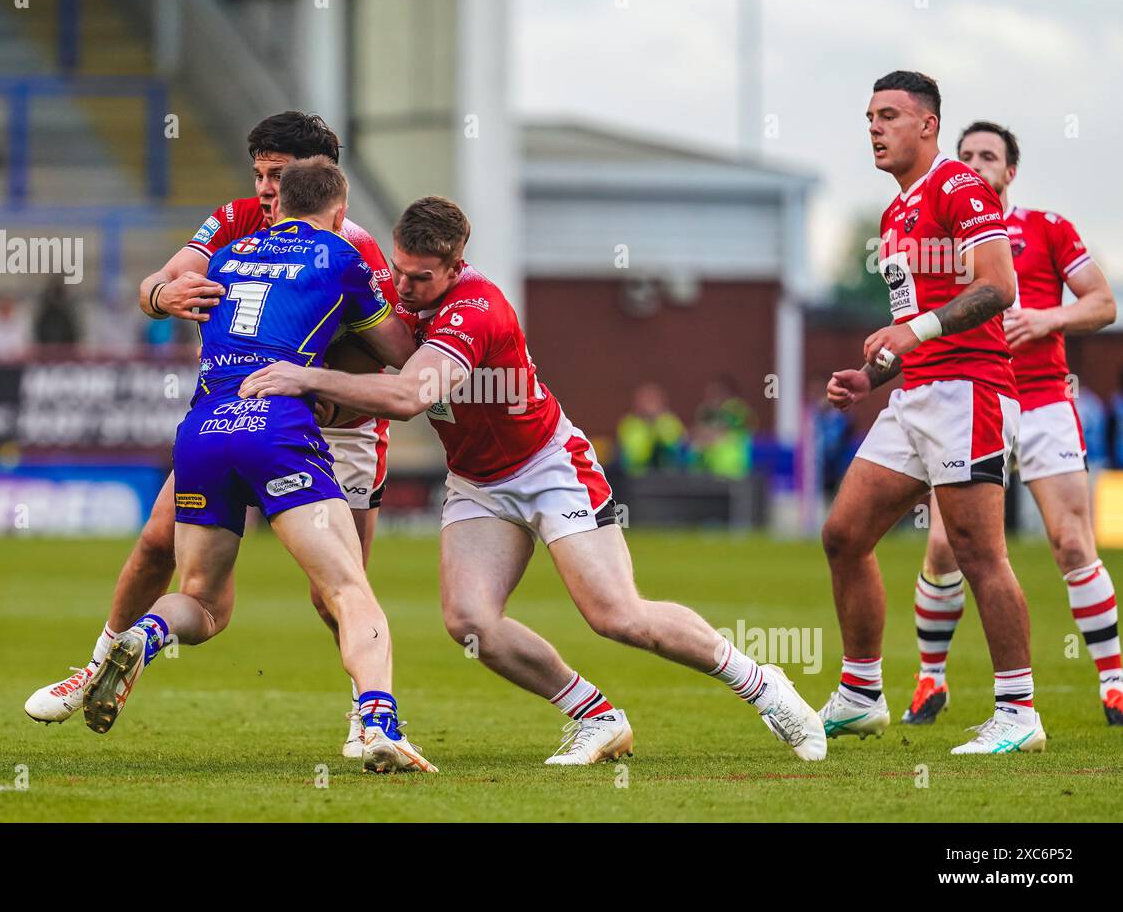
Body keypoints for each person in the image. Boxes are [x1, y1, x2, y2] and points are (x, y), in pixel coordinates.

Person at [245, 195, 827, 765]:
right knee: (470, 621)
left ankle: (760, 683)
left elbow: (405, 396)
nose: (403, 286)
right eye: (398, 270)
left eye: (420, 277)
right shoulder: (405, 300)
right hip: (476, 480)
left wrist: (305, 379)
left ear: (456, 264)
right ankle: (596, 717)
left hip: (549, 467)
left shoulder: (478, 309)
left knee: (616, 616)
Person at [24, 113, 402, 762]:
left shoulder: (353, 245)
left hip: (337, 428)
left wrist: (317, 387)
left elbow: (376, 358)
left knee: (329, 592)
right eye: (257, 172)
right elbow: (155, 283)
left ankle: (358, 714)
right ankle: (97, 668)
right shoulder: (233, 223)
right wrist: (161, 297)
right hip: (260, 416)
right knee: (156, 544)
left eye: (276, 175)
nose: (261, 187)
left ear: (316, 177)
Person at [820, 71, 1042, 755]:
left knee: (977, 552)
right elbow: (908, 325)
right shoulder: (894, 217)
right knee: (843, 534)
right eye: (868, 117)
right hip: (915, 396)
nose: (875, 129)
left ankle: (1018, 711)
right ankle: (860, 695)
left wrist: (911, 337)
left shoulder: (960, 187)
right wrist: (869, 374)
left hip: (969, 393)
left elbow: (998, 287)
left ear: (927, 124)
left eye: (889, 115)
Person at [898, 121, 1119, 727]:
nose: (974, 163)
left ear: (1010, 171)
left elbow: (1104, 304)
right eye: (965, 154)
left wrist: (1047, 319)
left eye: (987, 156)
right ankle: (929, 680)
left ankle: (1114, 681)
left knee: (1071, 541)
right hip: (970, 401)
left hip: (1043, 400)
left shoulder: (1046, 228)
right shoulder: (940, 223)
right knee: (943, 547)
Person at [615, 381, 690, 475]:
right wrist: (649, 429)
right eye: (646, 400)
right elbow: (635, 454)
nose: (649, 405)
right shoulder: (630, 424)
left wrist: (657, 423)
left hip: (669, 474)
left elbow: (675, 445)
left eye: (652, 400)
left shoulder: (669, 420)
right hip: (638, 476)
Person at [693, 375, 755, 480]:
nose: (712, 397)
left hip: (734, 469)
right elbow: (699, 434)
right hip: (712, 469)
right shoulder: (707, 411)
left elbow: (725, 429)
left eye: (716, 392)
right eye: (710, 393)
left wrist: (710, 435)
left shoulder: (736, 408)